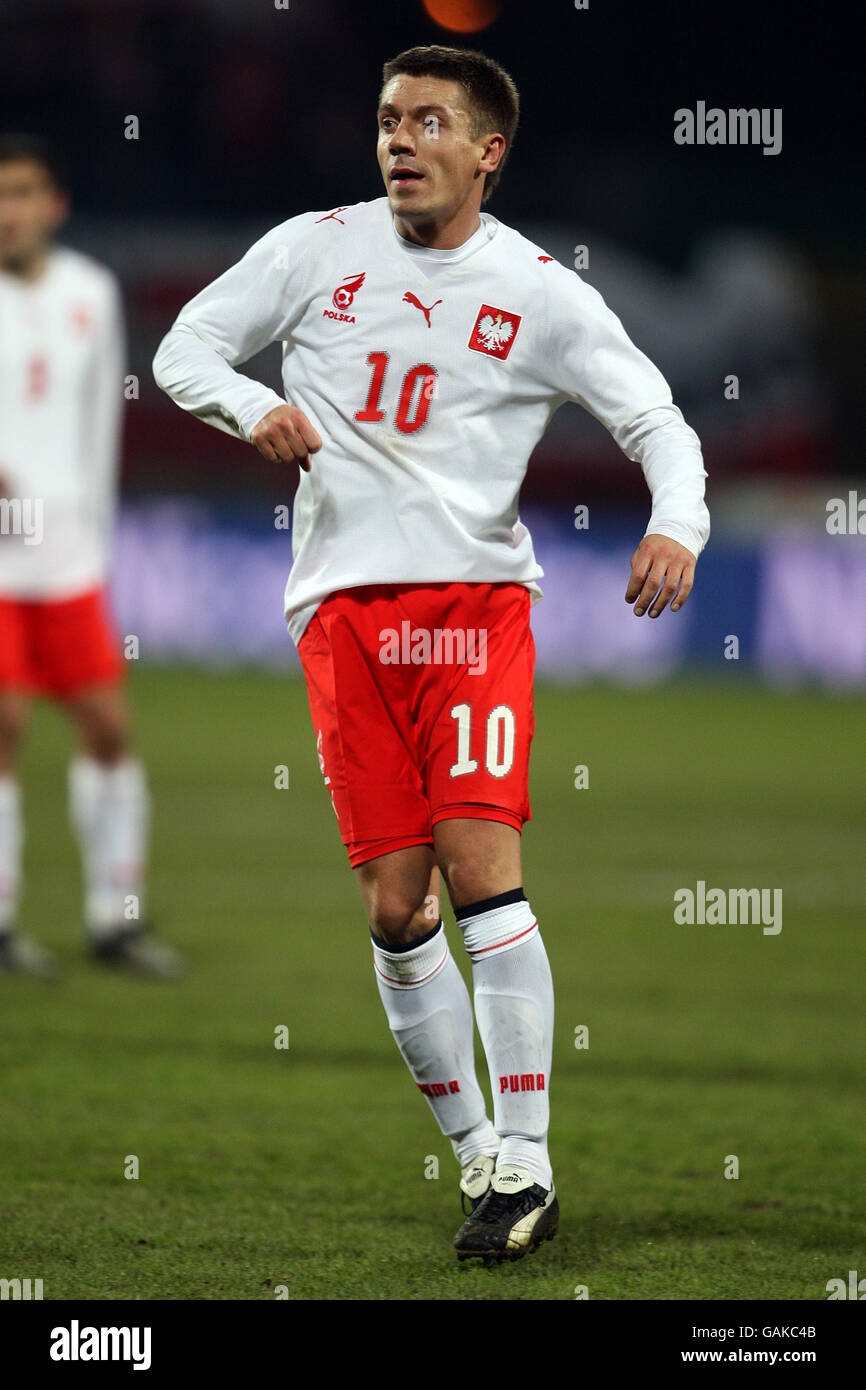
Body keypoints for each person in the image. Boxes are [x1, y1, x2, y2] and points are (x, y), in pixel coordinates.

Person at [153, 44, 709, 1261]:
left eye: (426, 123)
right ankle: (480, 1162)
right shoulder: (315, 246)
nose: (397, 141)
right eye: (386, 120)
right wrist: (256, 407)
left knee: (477, 870)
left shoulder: (541, 291)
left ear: (486, 152)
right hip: (340, 618)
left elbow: (655, 419)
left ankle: (530, 1159)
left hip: (469, 610)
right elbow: (184, 348)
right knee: (395, 908)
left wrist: (675, 522)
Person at [0, 135, 182, 978]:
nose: (10, 211)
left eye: (25, 193)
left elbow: (100, 424)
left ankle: (117, 918)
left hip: (69, 550)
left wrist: (100, 537)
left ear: (54, 205)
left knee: (108, 728)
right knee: (3, 729)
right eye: (0, 195)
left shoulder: (90, 292)